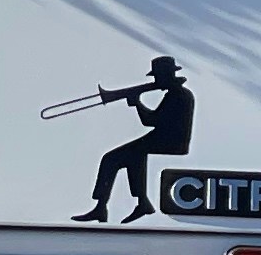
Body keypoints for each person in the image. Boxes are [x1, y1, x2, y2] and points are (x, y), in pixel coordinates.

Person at [74, 56, 194, 223]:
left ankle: (124, 205)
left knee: (115, 158)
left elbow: (151, 121)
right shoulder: (176, 94)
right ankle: (133, 203)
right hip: (161, 138)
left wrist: (137, 103)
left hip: (170, 142)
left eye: (158, 76)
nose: (156, 80)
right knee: (129, 157)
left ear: (167, 75)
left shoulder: (179, 96)